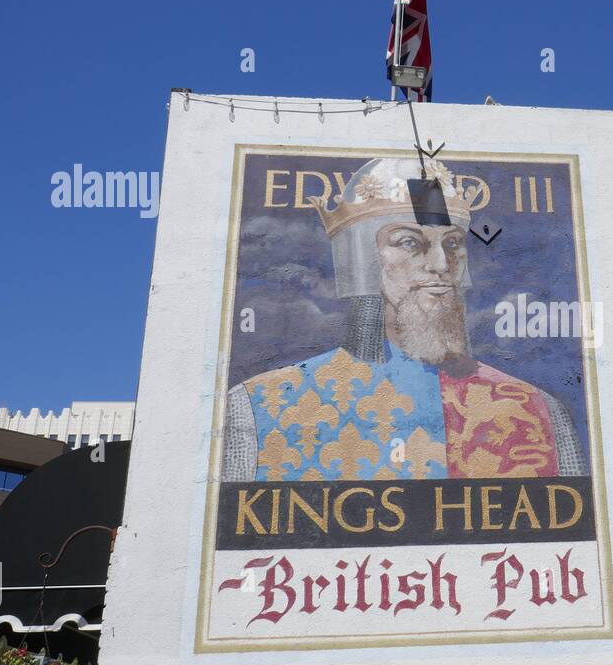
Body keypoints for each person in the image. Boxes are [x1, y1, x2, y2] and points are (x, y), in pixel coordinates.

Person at [222, 157, 584, 482]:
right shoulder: (257, 408)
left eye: (453, 244)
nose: (442, 265)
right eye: (410, 243)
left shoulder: (537, 410)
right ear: (365, 260)